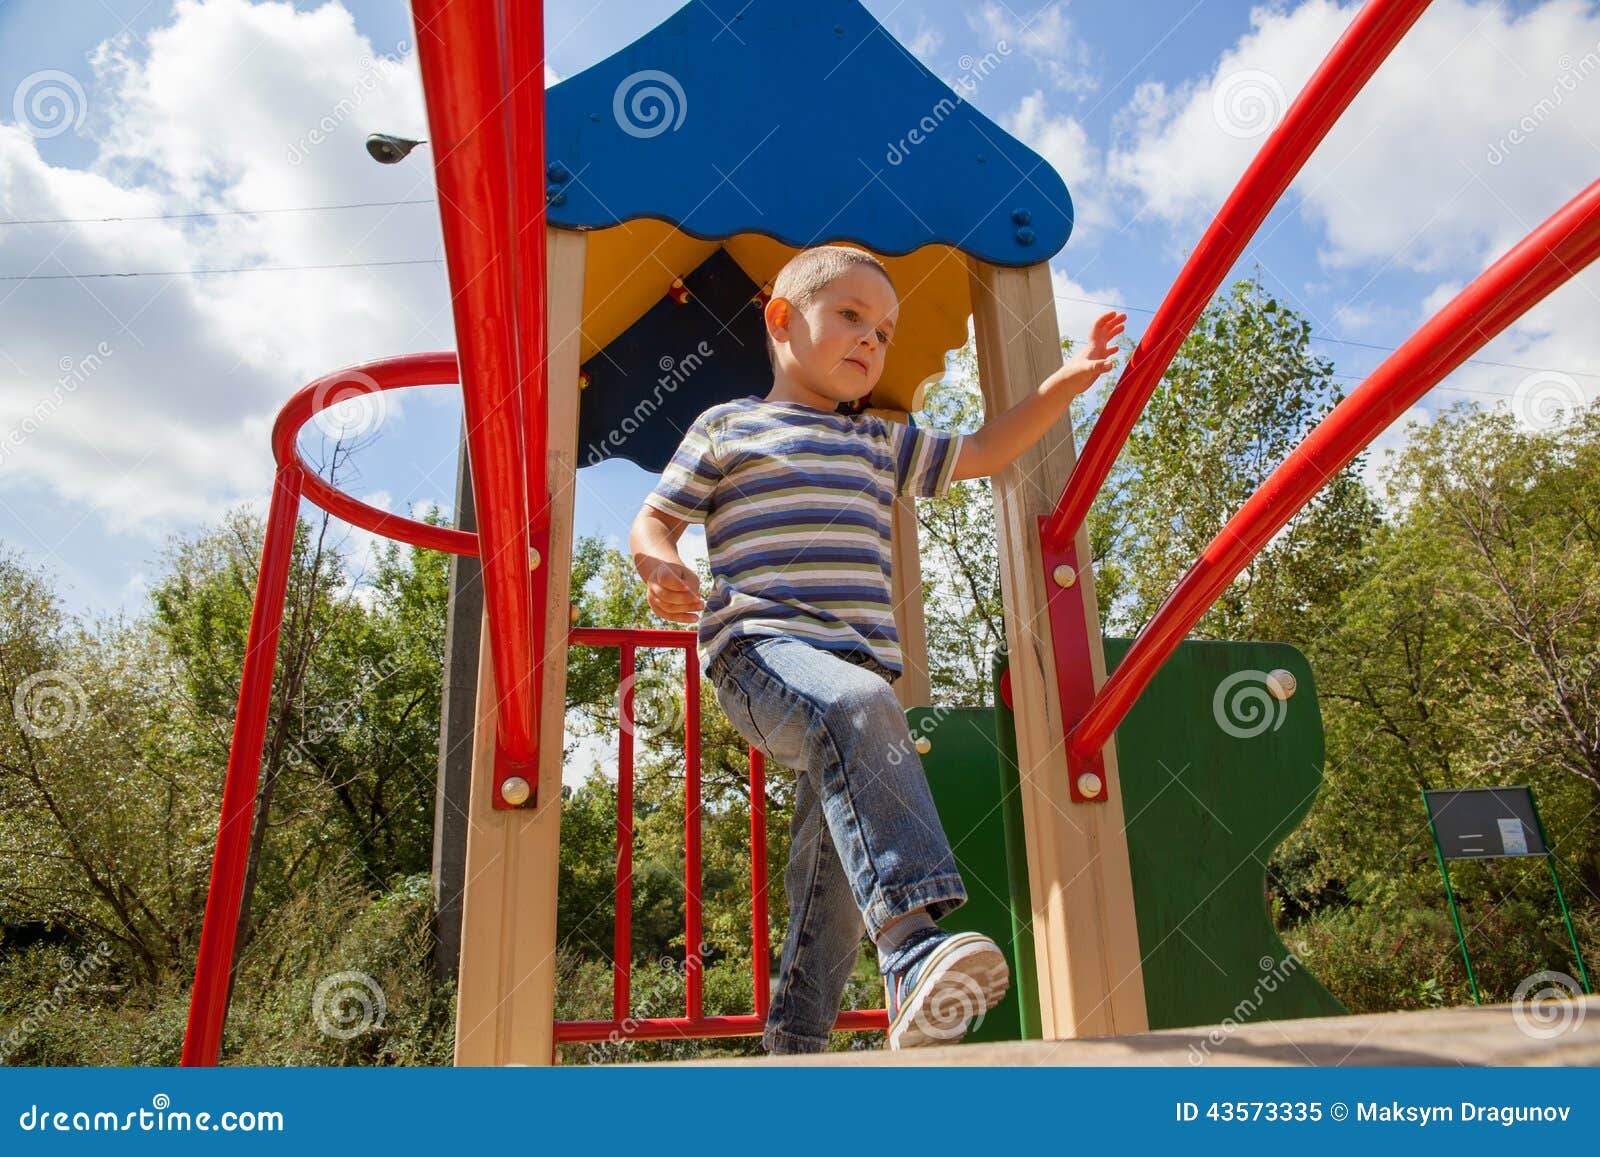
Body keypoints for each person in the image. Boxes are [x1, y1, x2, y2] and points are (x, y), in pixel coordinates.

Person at [629, 244, 1124, 1053]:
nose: (871, 339)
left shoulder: (879, 443)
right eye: (852, 317)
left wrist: (1062, 384)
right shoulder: (729, 427)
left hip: (852, 678)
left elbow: (987, 451)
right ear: (783, 321)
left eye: (885, 331)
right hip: (762, 653)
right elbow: (655, 519)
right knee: (862, 705)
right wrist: (660, 563)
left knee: (828, 879)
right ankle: (913, 947)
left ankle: (796, 1046)